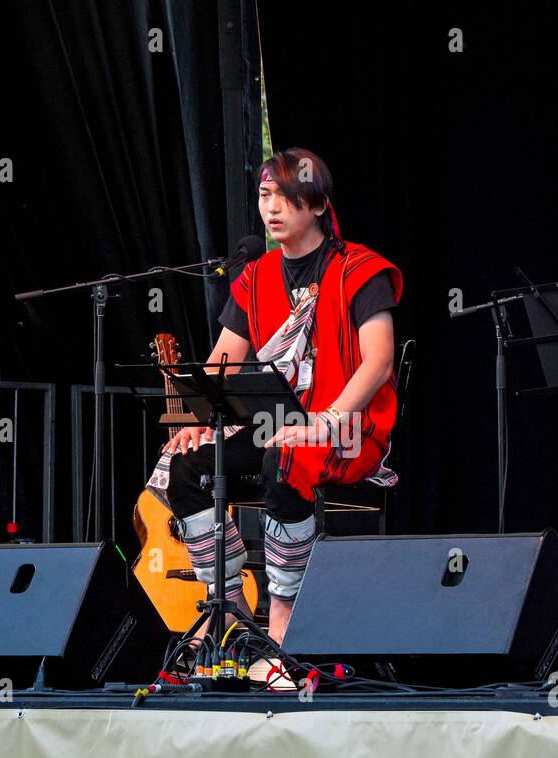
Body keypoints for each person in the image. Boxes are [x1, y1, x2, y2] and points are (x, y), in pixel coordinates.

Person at [146, 147, 402, 646]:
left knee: (287, 456)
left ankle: (283, 612)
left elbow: (380, 361)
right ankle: (230, 608)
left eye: (287, 196)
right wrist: (206, 415)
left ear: (319, 204)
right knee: (186, 465)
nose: (273, 208)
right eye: (266, 196)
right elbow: (223, 360)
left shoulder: (359, 270)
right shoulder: (255, 276)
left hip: (345, 429)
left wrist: (325, 421)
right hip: (271, 424)